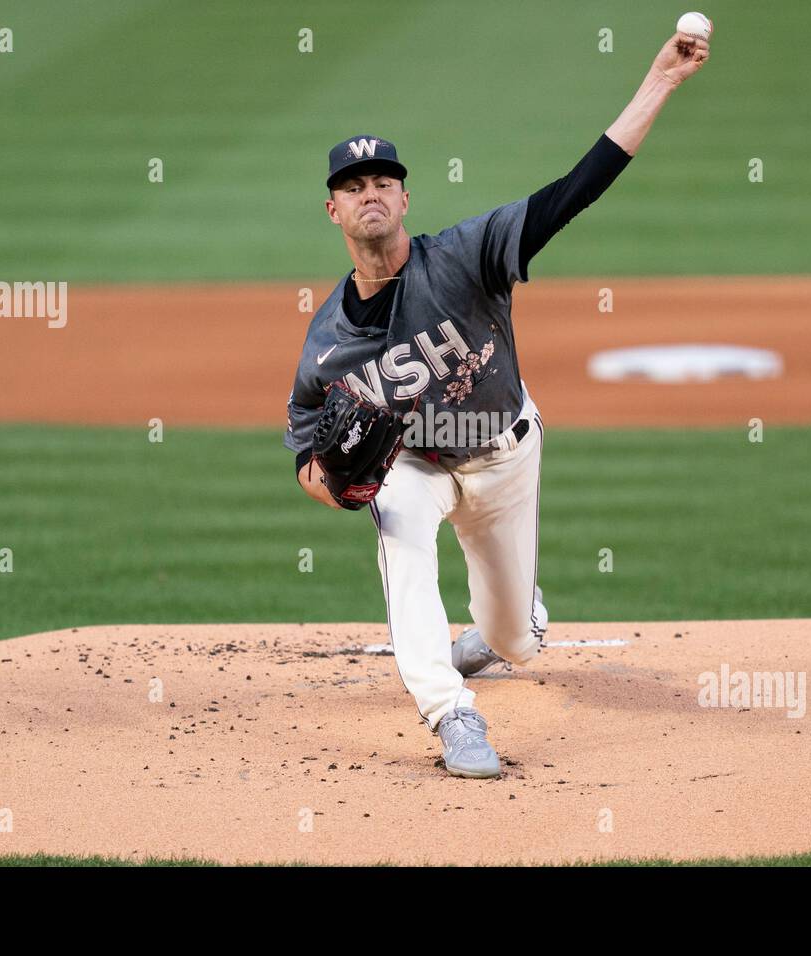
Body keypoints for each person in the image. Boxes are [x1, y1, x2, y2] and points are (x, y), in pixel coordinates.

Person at [284, 28, 711, 778]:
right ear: (333, 212)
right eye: (354, 186)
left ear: (405, 197)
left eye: (383, 181)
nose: (370, 193)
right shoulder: (325, 345)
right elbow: (308, 459)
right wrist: (341, 489)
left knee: (516, 641)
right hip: (417, 465)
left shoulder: (468, 255)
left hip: (505, 452)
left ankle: (507, 629)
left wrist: (659, 82)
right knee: (399, 528)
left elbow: (577, 188)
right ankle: (453, 715)